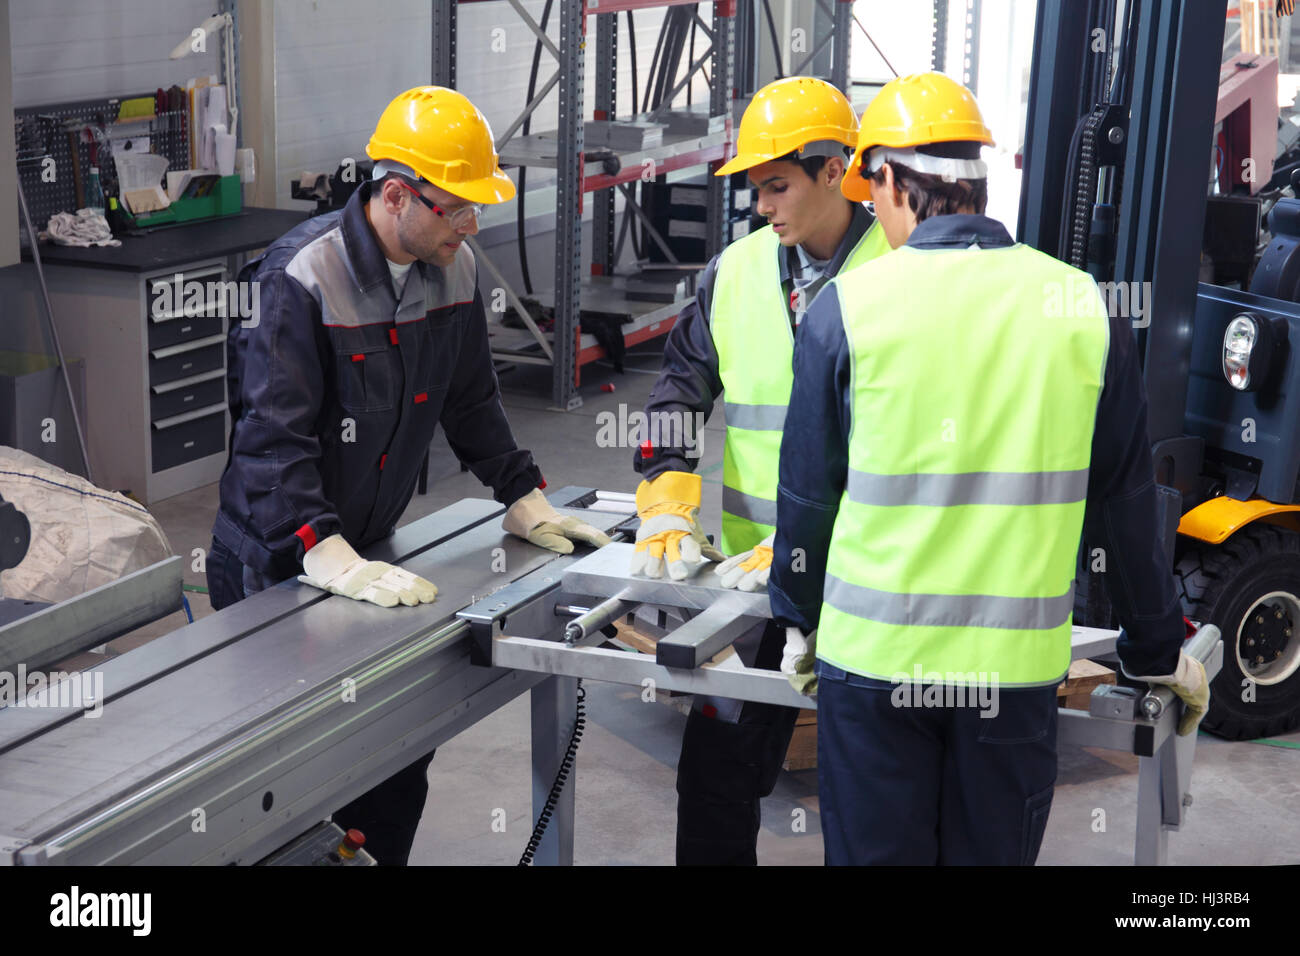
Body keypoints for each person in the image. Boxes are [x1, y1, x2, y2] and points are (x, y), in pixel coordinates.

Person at [768, 71, 1210, 866]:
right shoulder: (1083, 310)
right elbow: (1125, 500)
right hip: (1009, 682)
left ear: (897, 182)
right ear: (977, 180)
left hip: (873, 676)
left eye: (876, 195)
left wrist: (796, 617)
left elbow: (807, 496)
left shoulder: (847, 311)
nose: (875, 212)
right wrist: (1153, 648)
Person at [206, 86, 609, 865]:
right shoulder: (300, 278)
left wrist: (522, 494)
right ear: (397, 196)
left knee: (393, 760)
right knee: (297, 786)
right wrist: (320, 548)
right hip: (275, 563)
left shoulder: (449, 273)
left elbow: (471, 402)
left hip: (371, 552)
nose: (473, 224)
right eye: (457, 208)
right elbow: (271, 440)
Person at [629, 76, 891, 865]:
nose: (763, 206)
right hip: (754, 582)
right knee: (715, 779)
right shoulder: (735, 273)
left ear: (834, 169)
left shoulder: (902, 272)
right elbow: (680, 388)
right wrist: (668, 493)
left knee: (875, 789)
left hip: (867, 583)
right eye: (754, 189)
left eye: (777, 185)